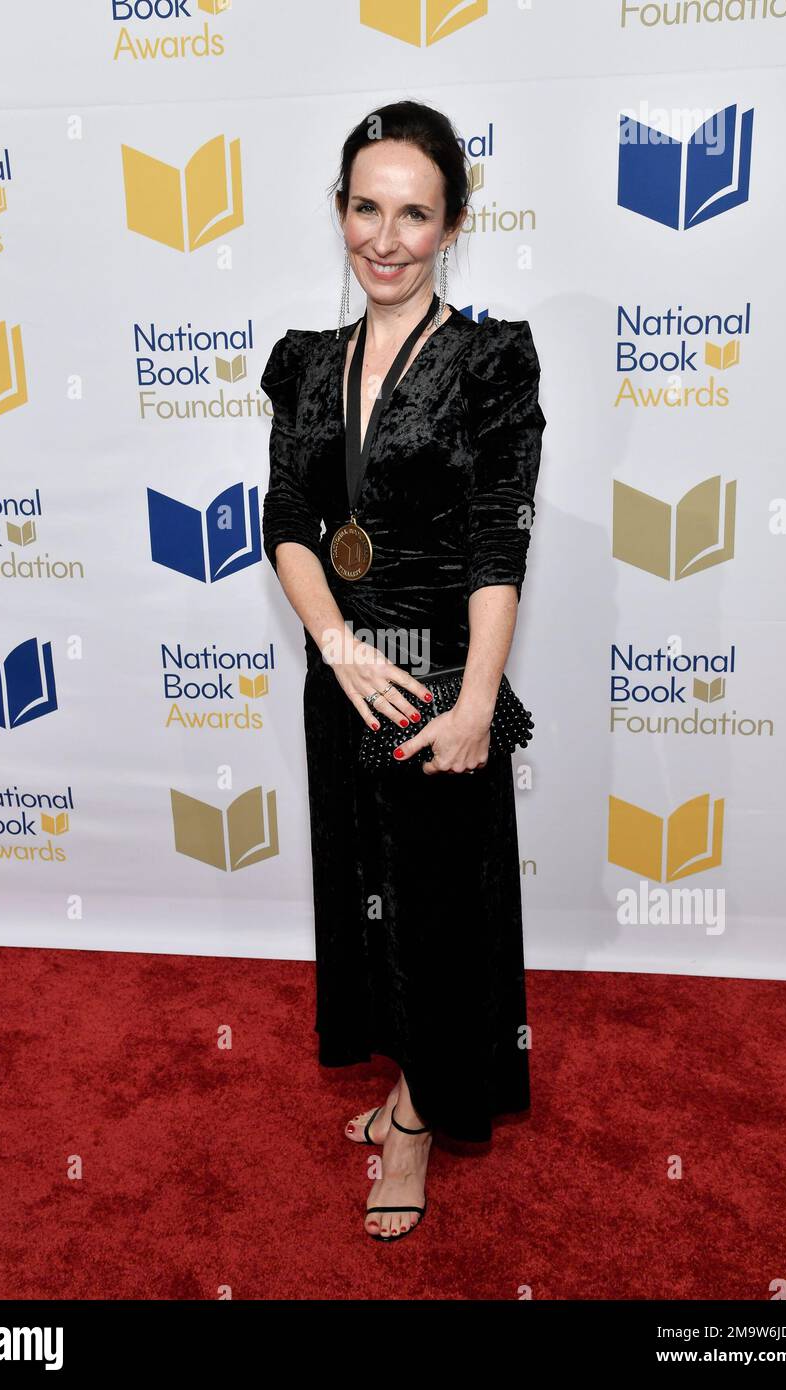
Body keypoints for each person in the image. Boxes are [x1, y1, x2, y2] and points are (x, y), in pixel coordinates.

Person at [260, 99, 546, 1243]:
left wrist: (475, 701)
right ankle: (403, 1079)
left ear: (452, 225)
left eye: (413, 213)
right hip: (343, 667)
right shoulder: (305, 362)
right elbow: (284, 515)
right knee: (366, 891)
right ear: (338, 213)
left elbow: (497, 536)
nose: (386, 237)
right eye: (366, 208)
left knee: (435, 908)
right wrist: (333, 647)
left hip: (434, 675)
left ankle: (421, 1121)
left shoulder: (488, 359)